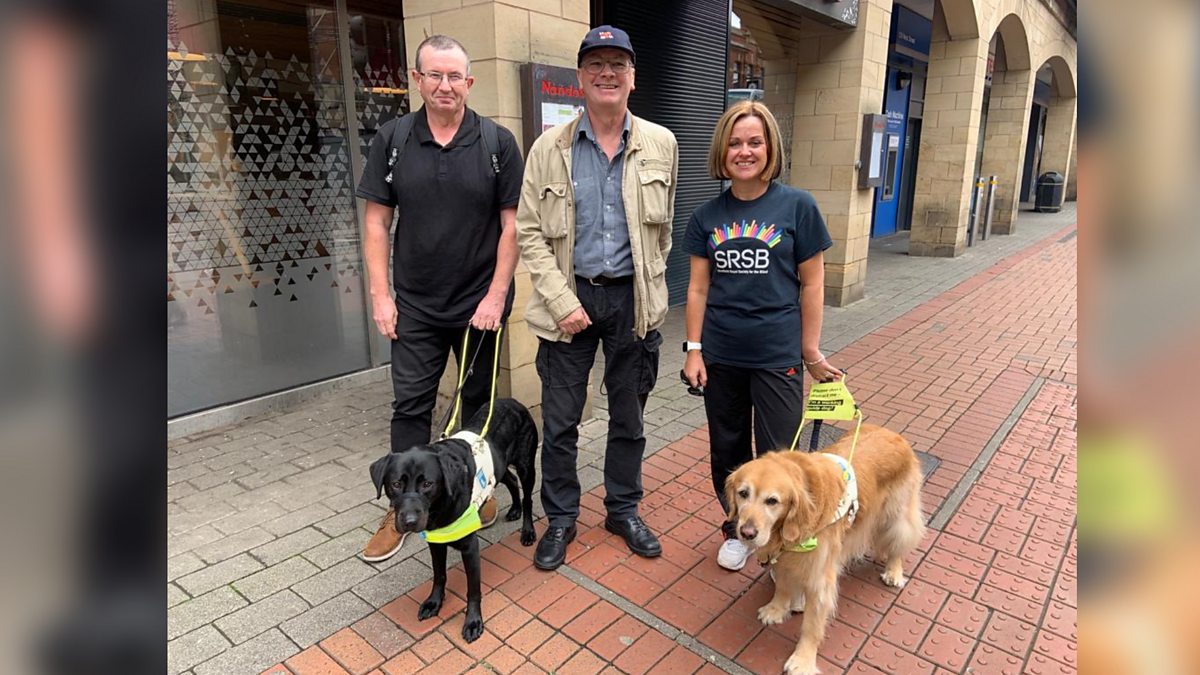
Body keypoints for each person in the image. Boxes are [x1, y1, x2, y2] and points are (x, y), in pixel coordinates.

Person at [356, 35, 525, 562]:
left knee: (476, 406)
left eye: (455, 76)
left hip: (480, 304)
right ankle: (401, 508)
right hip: (416, 306)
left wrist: (497, 296)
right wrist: (381, 297)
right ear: (417, 78)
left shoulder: (497, 144)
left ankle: (478, 492)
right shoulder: (393, 139)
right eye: (435, 75)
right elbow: (377, 222)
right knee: (411, 406)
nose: (445, 85)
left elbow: (512, 227)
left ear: (469, 83)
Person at [516, 25, 678, 571]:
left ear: (633, 77)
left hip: (632, 304)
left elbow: (664, 233)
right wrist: (561, 299)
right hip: (570, 304)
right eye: (596, 65)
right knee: (561, 422)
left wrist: (650, 289)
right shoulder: (549, 148)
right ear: (581, 78)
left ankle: (622, 508)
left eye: (617, 64)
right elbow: (529, 232)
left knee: (628, 417)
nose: (607, 74)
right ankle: (561, 517)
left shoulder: (661, 143)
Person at [681, 101, 842, 572]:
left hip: (777, 356)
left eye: (754, 142)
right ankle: (735, 529)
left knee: (781, 460)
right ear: (722, 150)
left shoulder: (798, 207)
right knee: (728, 451)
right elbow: (697, 287)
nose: (744, 151)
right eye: (735, 142)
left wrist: (809, 350)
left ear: (770, 148)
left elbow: (813, 283)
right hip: (722, 356)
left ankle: (780, 542)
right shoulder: (707, 216)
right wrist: (694, 350)